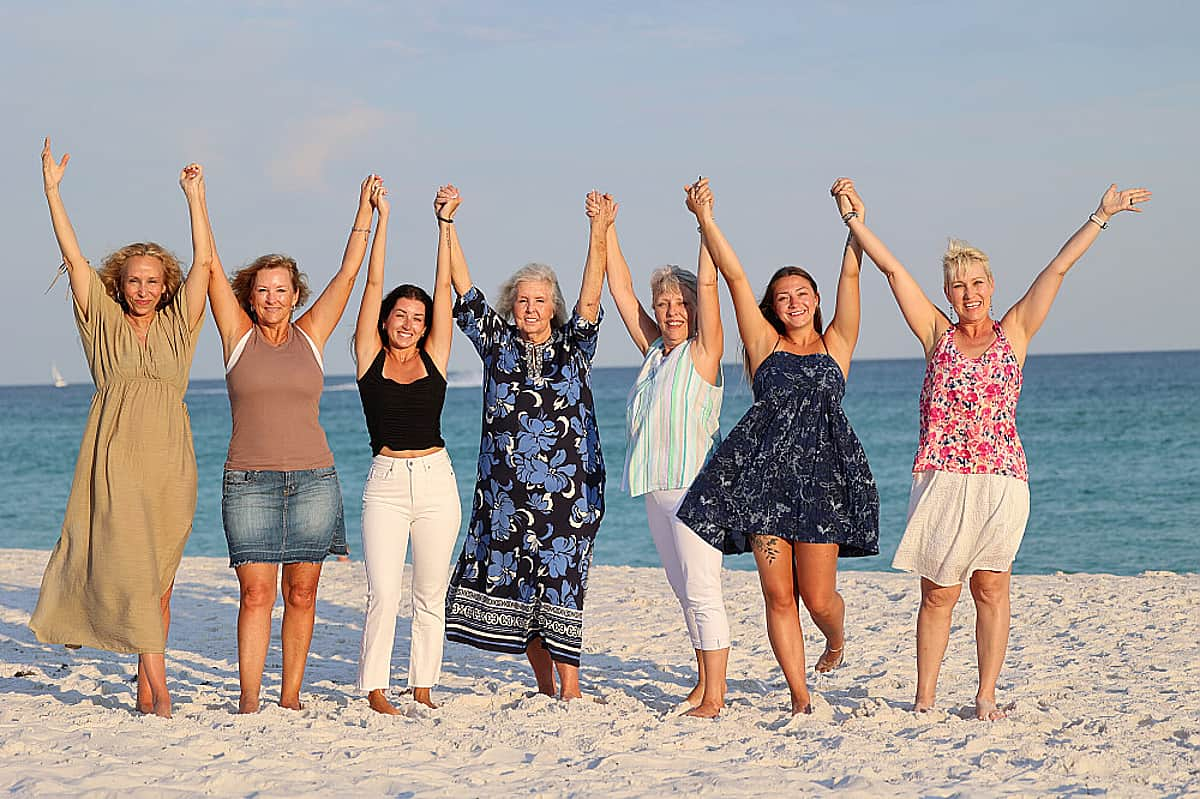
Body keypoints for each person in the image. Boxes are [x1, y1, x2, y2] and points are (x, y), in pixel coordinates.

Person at [833, 178, 1151, 720]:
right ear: (948, 292)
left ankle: (985, 696)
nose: (968, 293)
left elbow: (1056, 269)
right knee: (937, 593)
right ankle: (925, 698)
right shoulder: (936, 333)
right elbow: (892, 272)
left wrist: (1101, 215)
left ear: (992, 285)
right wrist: (855, 222)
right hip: (941, 478)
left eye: (977, 282)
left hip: (1002, 479)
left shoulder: (1016, 333)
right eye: (957, 286)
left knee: (991, 587)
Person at [677, 178, 880, 716]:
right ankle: (799, 695)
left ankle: (835, 639)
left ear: (815, 301)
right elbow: (735, 276)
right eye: (783, 296)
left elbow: (852, 272)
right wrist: (705, 219)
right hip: (765, 485)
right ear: (774, 305)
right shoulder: (763, 344)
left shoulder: (838, 343)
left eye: (802, 294)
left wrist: (852, 222)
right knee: (777, 595)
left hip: (823, 487)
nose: (793, 302)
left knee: (818, 598)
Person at [29, 139, 213, 718]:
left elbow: (206, 265)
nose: (142, 289)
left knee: (160, 580)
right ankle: (159, 689)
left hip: (171, 460)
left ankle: (142, 678)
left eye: (152, 281)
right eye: (133, 280)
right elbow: (74, 258)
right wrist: (53, 193)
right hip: (115, 457)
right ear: (121, 283)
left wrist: (195, 199)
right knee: (133, 570)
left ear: (165, 285)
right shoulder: (102, 320)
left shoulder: (179, 325)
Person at [207, 176, 379, 713]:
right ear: (249, 297)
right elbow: (209, 263)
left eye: (281, 290)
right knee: (256, 594)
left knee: (301, 596)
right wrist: (197, 199)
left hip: (313, 481)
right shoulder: (236, 334)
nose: (272, 298)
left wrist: (362, 212)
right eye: (262, 289)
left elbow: (349, 273)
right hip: (249, 484)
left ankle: (291, 698)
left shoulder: (312, 333)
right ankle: (250, 700)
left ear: (295, 295)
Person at [443, 189, 611, 700]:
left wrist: (597, 231)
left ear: (553, 307)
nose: (532, 308)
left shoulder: (573, 346)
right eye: (523, 301)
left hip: (570, 495)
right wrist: (447, 224)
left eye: (541, 301)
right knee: (525, 590)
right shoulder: (497, 342)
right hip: (507, 497)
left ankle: (572, 688)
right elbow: (463, 286)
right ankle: (545, 686)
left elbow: (590, 295)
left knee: (563, 583)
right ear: (511, 308)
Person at [605, 183, 730, 717]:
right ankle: (703, 684)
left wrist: (703, 221)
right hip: (657, 488)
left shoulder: (704, 351)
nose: (672, 310)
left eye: (681, 302)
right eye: (664, 303)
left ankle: (717, 695)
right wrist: (606, 229)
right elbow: (622, 290)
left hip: (697, 488)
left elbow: (710, 280)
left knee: (703, 589)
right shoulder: (655, 352)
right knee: (684, 593)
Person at [352, 182, 460, 713]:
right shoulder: (368, 356)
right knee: (384, 593)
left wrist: (444, 224)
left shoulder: (436, 354)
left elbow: (445, 288)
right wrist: (381, 217)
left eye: (418, 318)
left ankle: (422, 685)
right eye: (401, 315)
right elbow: (373, 282)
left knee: (429, 593)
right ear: (387, 319)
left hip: (438, 480)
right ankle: (376, 687)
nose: (409, 323)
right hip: (387, 483)